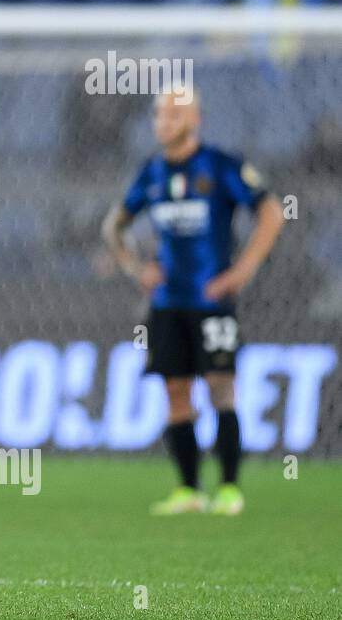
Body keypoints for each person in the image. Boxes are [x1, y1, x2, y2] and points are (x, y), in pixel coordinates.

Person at [102, 87, 284, 516]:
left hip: (211, 301)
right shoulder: (151, 173)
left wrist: (242, 271)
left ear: (195, 118)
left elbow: (271, 212)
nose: (163, 121)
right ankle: (188, 489)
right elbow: (114, 225)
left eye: (173, 113)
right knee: (176, 391)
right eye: (159, 114)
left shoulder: (221, 166)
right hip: (167, 303)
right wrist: (136, 268)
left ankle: (229, 488)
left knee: (220, 386)